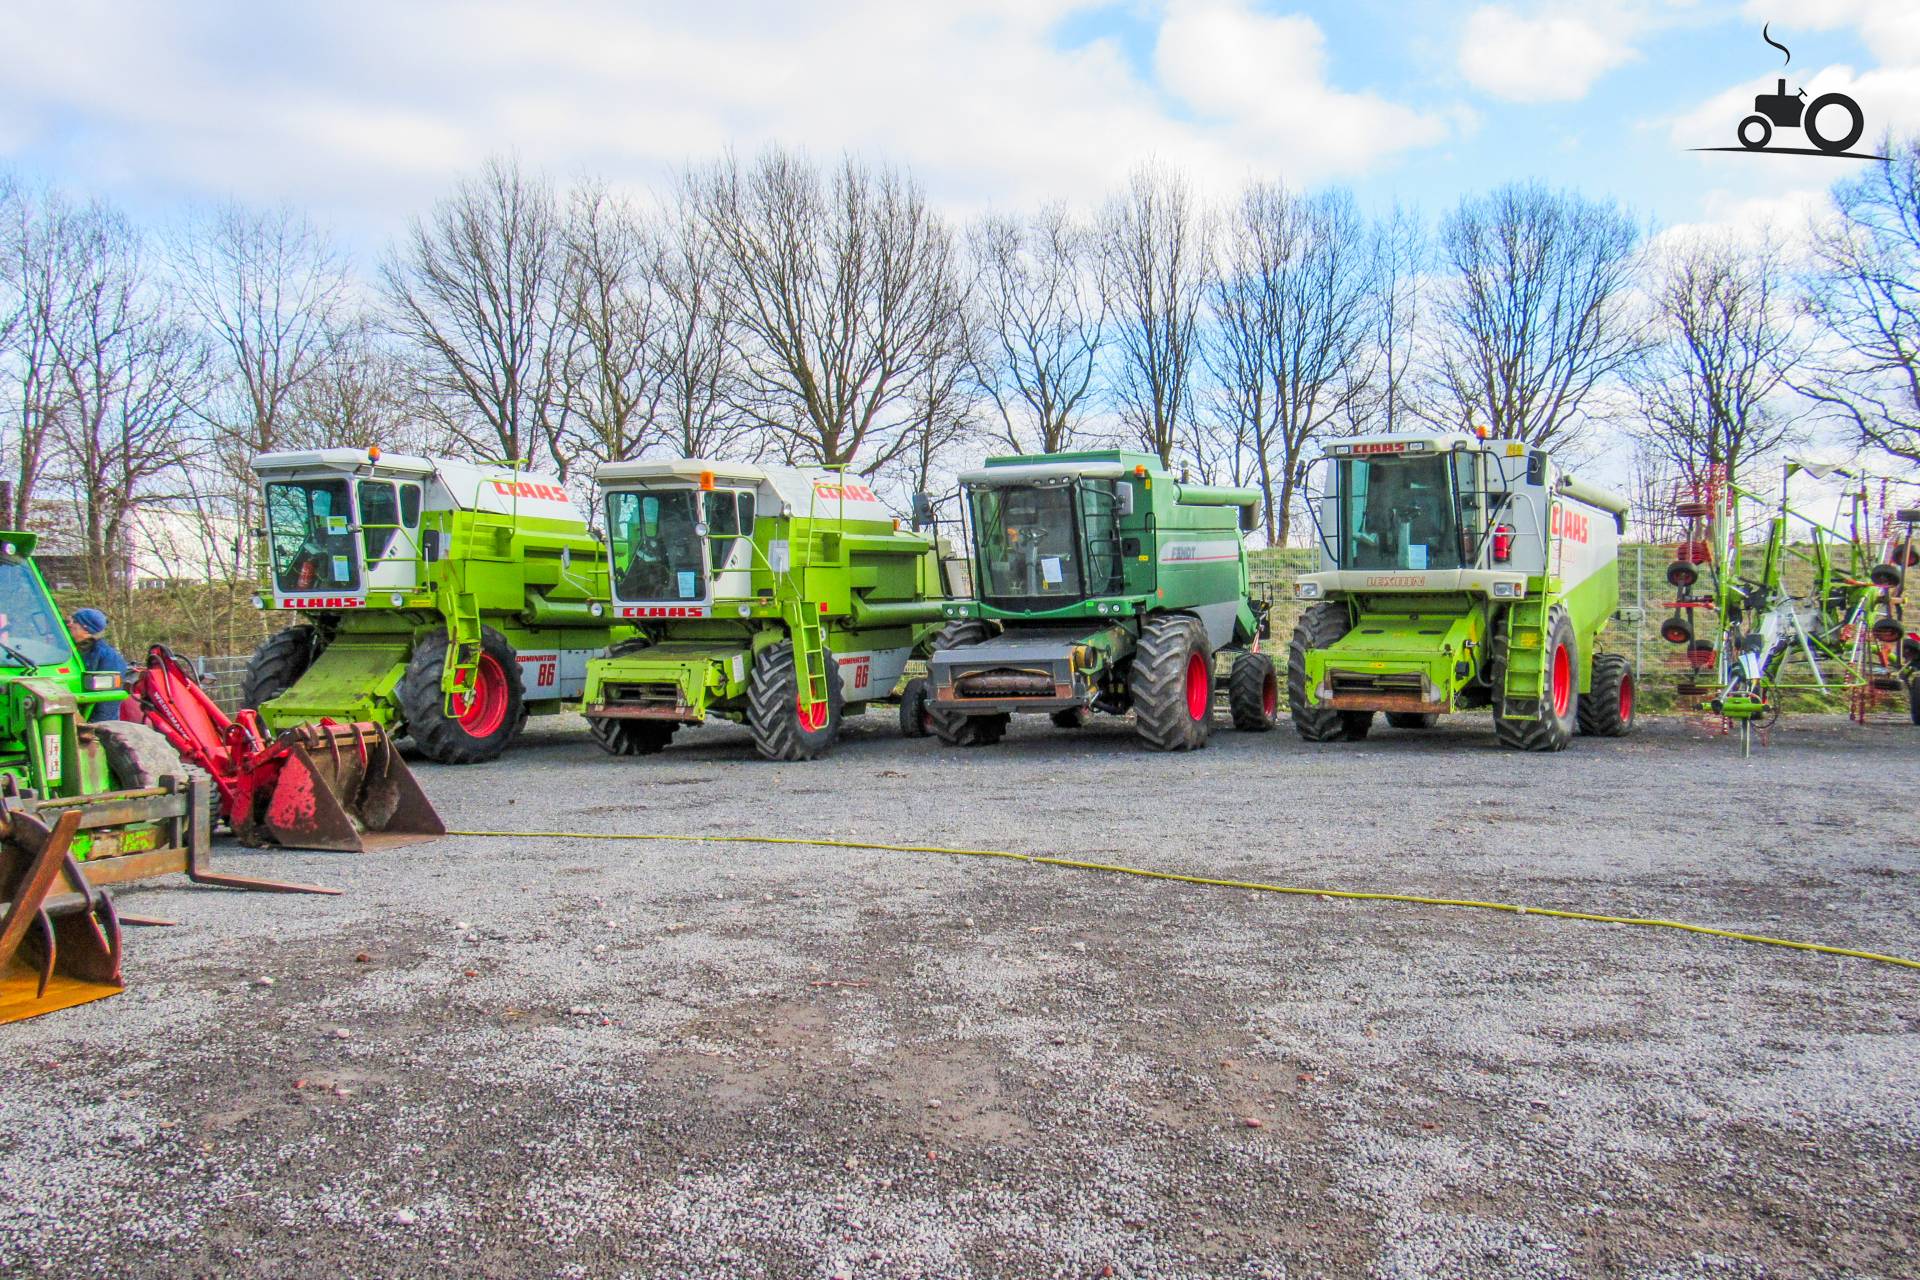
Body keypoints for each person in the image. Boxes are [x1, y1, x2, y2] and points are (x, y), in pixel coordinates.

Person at [68, 607, 129, 721]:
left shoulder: (109, 658)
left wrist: (94, 729)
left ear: (86, 629)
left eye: (75, 622)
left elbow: (107, 705)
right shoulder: (71, 652)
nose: (70, 625)